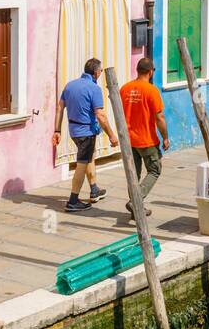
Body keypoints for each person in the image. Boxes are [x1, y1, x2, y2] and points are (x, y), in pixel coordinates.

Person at [54, 58, 118, 212]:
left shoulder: (70, 85)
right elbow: (100, 115)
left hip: (74, 130)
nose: (101, 73)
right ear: (96, 72)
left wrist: (57, 130)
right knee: (82, 164)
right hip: (86, 133)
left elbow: (59, 108)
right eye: (101, 71)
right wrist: (111, 135)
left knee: (89, 158)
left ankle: (94, 190)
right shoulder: (94, 88)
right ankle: (73, 200)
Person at [119, 57, 169, 218]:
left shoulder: (124, 89)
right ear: (150, 72)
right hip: (146, 140)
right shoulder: (151, 90)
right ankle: (136, 201)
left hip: (128, 140)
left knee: (133, 174)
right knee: (154, 170)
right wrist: (165, 138)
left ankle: (136, 209)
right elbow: (159, 117)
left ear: (137, 70)